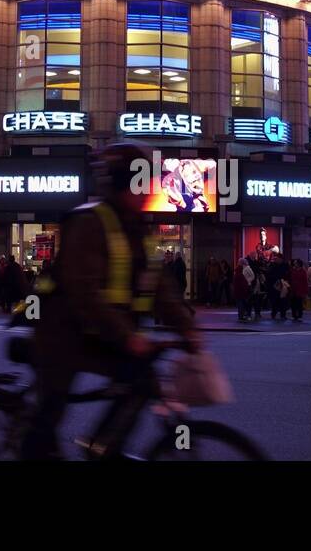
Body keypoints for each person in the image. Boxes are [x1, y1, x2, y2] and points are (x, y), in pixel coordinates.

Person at [20, 144, 200, 460]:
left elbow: (159, 287)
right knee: (49, 415)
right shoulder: (89, 222)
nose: (146, 193)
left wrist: (188, 329)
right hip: (61, 333)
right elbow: (84, 294)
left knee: (140, 381)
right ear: (121, 185)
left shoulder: (138, 230)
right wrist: (128, 337)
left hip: (101, 334)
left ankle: (102, 448)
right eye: (139, 184)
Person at [267, 251, 291, 320]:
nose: (276, 259)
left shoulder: (285, 265)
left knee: (283, 300)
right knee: (275, 301)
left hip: (283, 285)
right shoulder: (273, 265)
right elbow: (269, 275)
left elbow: (288, 275)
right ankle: (274, 314)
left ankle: (282, 314)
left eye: (277, 258)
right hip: (275, 286)